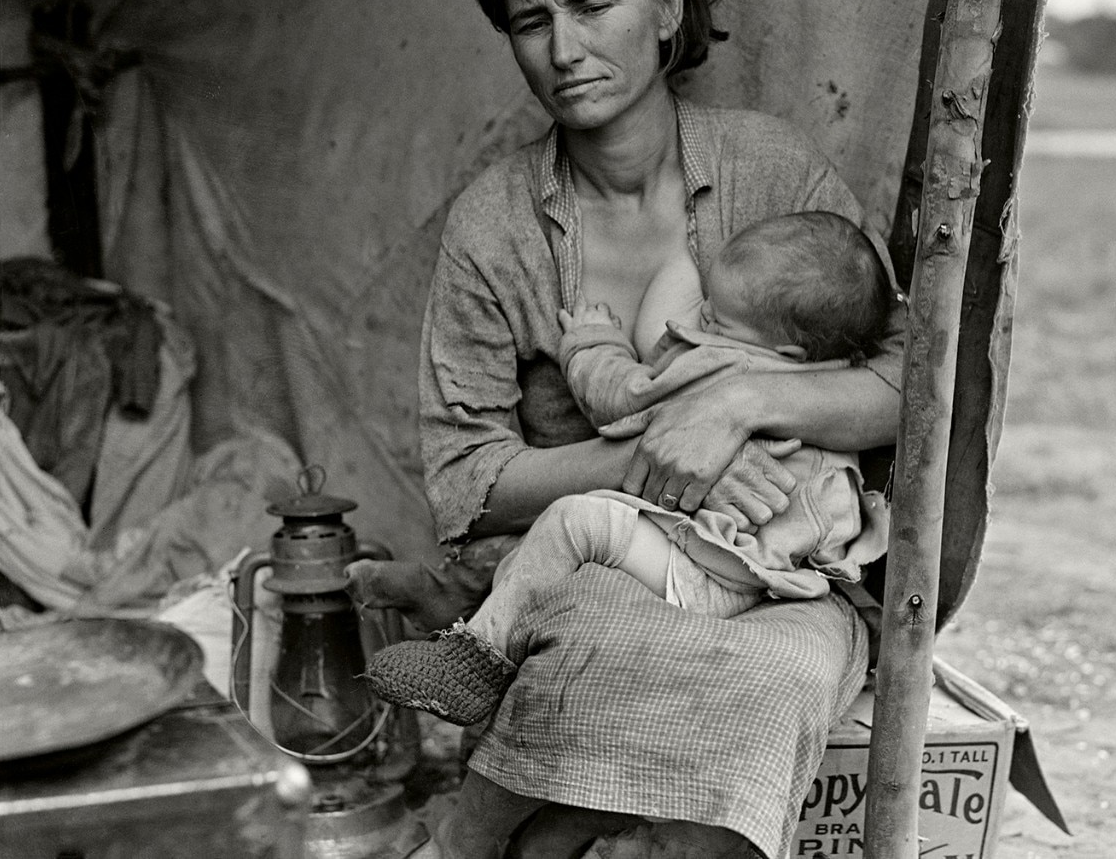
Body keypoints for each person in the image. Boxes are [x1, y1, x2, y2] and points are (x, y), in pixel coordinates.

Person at [345, 0, 906, 856]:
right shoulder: (495, 224)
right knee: (589, 654)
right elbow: (464, 483)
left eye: (592, 3)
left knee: (759, 706)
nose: (564, 49)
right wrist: (653, 454)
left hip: (783, 578)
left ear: (662, 7)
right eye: (530, 22)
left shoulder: (769, 172)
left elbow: (909, 385)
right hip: (607, 562)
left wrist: (736, 402)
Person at [366, 211, 894, 729]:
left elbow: (622, 399)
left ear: (784, 350)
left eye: (714, 318)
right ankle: (462, 598)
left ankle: (474, 662)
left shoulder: (724, 365)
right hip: (765, 566)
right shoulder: (830, 378)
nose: (697, 318)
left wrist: (594, 341)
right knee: (561, 547)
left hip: (716, 573)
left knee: (575, 522)